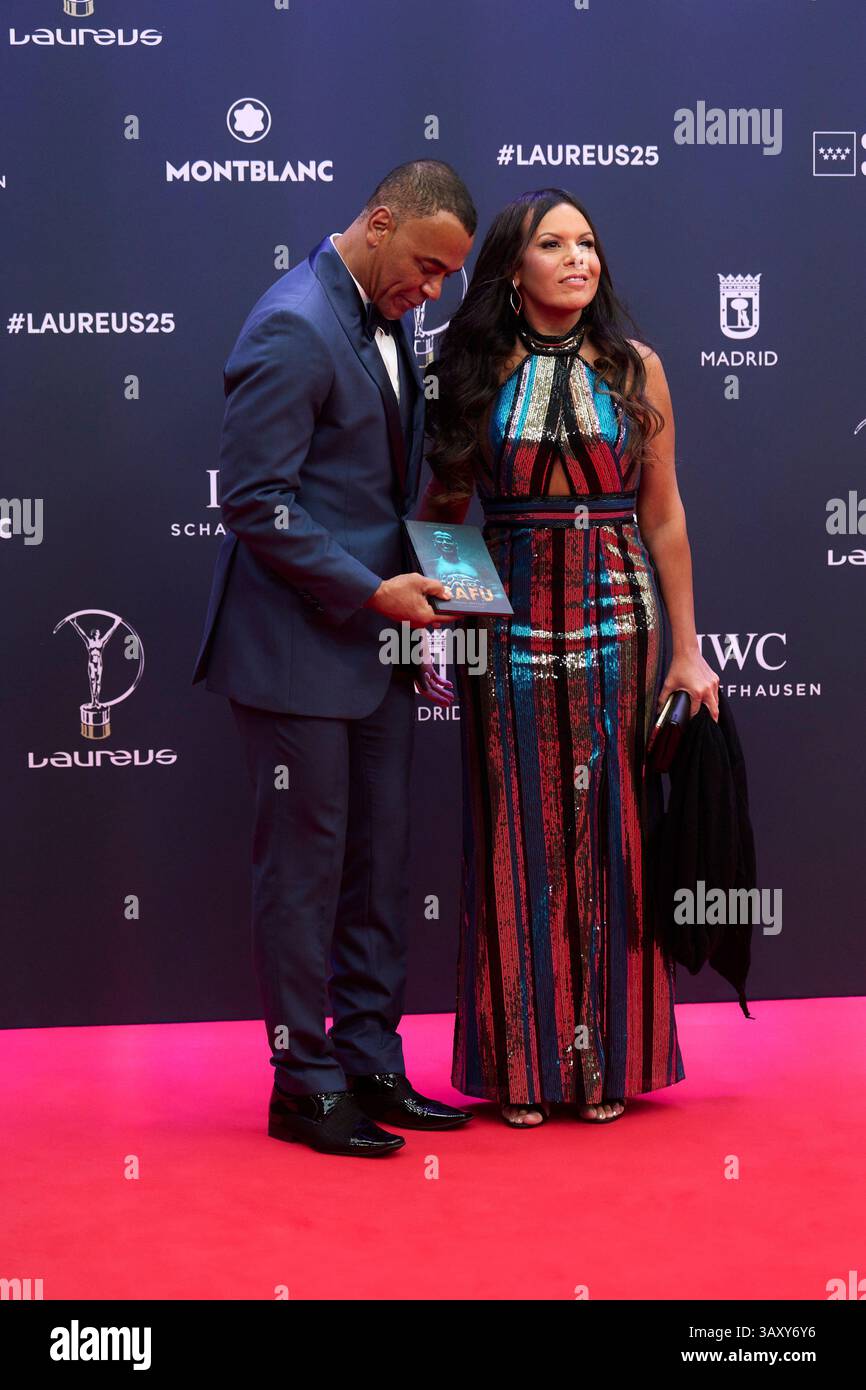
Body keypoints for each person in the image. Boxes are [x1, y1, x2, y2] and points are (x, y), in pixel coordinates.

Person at [417, 188, 720, 1127]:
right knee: (515, 836)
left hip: (616, 616)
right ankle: (521, 1068)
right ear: (514, 268)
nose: (578, 259)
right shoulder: (467, 368)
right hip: (504, 620)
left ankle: (610, 1064)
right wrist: (448, 622)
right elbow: (444, 513)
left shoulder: (641, 370)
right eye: (554, 244)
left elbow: (663, 515)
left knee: (614, 833)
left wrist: (688, 650)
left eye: (588, 242)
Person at [192, 160, 476, 1157]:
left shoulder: (385, 316)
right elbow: (255, 502)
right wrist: (368, 590)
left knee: (377, 865)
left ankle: (368, 1059)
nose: (432, 290)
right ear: (381, 221)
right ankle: (302, 1084)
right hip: (295, 651)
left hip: (376, 648)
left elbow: (372, 495)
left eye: (446, 277)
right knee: (304, 876)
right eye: (428, 266)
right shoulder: (294, 322)